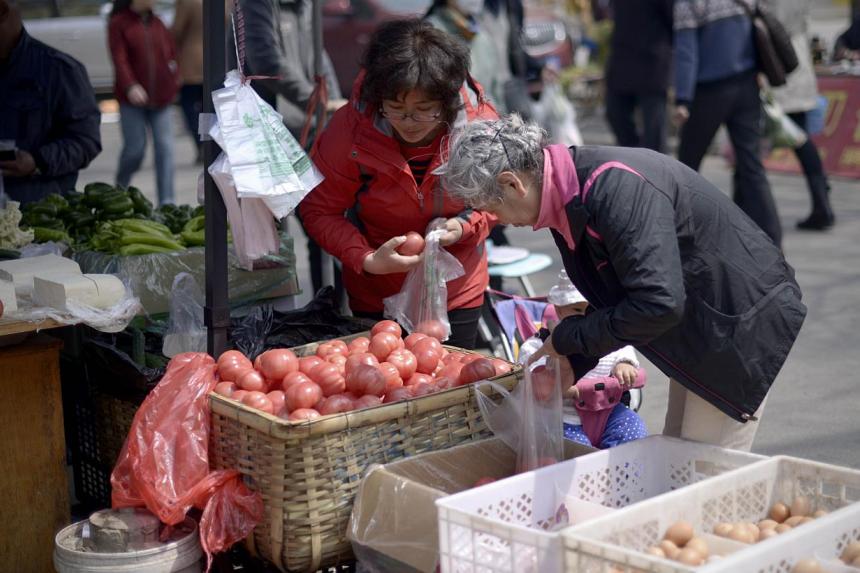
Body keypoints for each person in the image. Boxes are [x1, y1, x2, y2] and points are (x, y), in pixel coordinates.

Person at [438, 115, 807, 450]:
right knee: (680, 455)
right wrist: (573, 356)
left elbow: (657, 304)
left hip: (733, 326)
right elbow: (616, 290)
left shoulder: (612, 188)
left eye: (493, 208)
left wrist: (568, 339)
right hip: (699, 325)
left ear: (512, 183)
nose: (497, 220)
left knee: (703, 472)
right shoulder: (567, 193)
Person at [299, 19, 499, 349]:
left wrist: (463, 226)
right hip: (376, 291)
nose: (409, 122)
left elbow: (498, 197)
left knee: (451, 385)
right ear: (379, 100)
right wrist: (366, 258)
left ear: (447, 102)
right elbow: (319, 209)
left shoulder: (479, 128)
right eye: (395, 109)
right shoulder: (349, 131)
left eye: (424, 110)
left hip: (457, 286)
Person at [229, 0, 345, 295]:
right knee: (272, 237)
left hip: (309, 130)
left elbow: (320, 56)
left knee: (321, 222)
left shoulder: (306, 6)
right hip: (270, 131)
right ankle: (276, 314)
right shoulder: (257, 5)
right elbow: (266, 61)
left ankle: (326, 306)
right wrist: (315, 99)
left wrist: (331, 101)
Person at [673, 0, 782, 247]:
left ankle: (679, 235)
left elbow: (686, 50)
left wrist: (683, 98)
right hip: (746, 85)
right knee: (752, 167)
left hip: (708, 92)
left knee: (686, 166)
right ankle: (773, 242)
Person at [0, 0, 101, 203]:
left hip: (37, 214)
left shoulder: (59, 70)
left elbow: (85, 141)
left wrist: (37, 161)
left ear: (2, 11)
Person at [547, 270, 648, 449]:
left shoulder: (609, 337)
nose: (587, 317)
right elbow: (533, 374)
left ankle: (623, 472)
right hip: (565, 417)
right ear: (559, 310)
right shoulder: (547, 343)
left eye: (593, 309)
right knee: (578, 451)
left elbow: (625, 349)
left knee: (633, 429)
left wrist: (624, 364)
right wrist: (555, 385)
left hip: (610, 411)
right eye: (577, 309)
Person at [767, 0, 835, 231]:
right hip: (796, 62)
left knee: (750, 145)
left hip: (776, 63)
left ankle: (748, 209)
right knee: (802, 140)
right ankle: (821, 200)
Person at [108, 0, 180, 205]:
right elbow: (119, 59)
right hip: (132, 101)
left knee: (165, 149)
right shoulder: (119, 23)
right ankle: (119, 188)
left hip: (162, 99)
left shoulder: (158, 22)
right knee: (135, 150)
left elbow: (171, 53)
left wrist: (174, 81)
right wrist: (130, 85)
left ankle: (167, 202)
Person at [604, 0, 673, 153]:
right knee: (614, 113)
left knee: (654, 133)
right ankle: (634, 160)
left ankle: (655, 171)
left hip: (653, 62)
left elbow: (673, 21)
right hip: (621, 59)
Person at [172, 0, 204, 163]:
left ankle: (201, 145)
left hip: (191, 62)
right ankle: (211, 144)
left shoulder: (187, 2)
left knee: (190, 107)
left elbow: (177, 30)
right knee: (210, 108)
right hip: (217, 61)